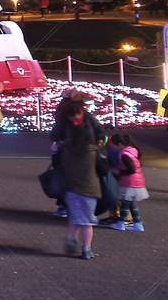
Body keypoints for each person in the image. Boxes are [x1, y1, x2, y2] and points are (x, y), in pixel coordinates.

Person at [53, 101, 104, 260]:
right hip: (90, 189)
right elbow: (104, 169)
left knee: (75, 217)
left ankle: (70, 238)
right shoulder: (93, 151)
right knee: (87, 222)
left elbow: (57, 161)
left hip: (71, 188)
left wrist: (59, 148)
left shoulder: (66, 151)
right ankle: (86, 249)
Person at [107, 133, 148, 232]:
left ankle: (121, 223)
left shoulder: (125, 154)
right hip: (137, 181)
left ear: (120, 144)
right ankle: (138, 223)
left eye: (114, 145)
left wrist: (118, 172)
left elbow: (131, 169)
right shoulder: (132, 150)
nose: (113, 147)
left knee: (125, 204)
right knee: (131, 204)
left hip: (130, 182)